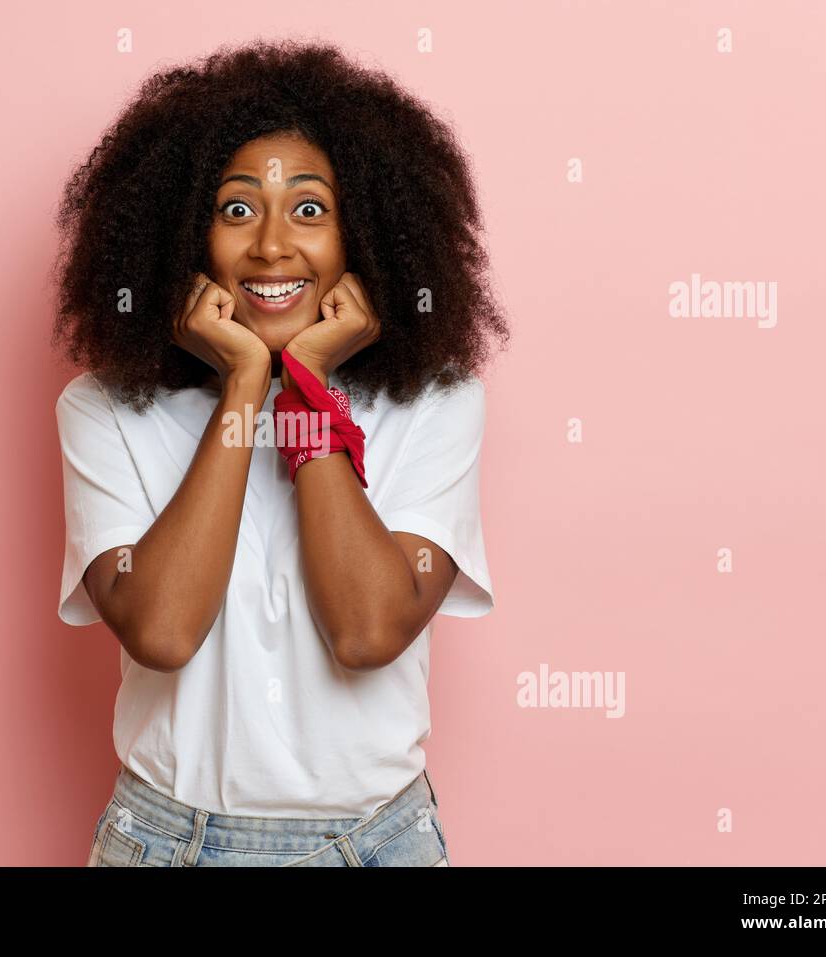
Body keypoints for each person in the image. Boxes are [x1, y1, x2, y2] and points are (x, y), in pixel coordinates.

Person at [50, 40, 509, 866]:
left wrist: (304, 384)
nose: (269, 247)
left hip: (378, 844)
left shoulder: (437, 403)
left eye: (309, 208)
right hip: (165, 843)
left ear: (365, 232)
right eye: (235, 210)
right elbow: (161, 628)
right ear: (181, 235)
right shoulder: (104, 410)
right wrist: (244, 381)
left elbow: (368, 630)